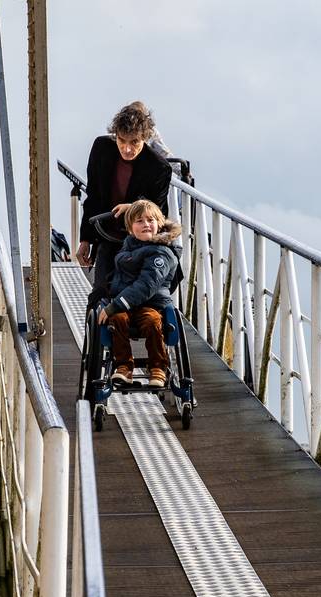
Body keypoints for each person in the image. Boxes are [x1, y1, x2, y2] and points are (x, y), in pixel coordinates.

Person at [76, 101, 173, 308]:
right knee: (98, 294)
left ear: (145, 139)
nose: (127, 148)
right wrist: (85, 239)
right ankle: (93, 337)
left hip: (141, 241)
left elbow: (159, 213)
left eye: (135, 142)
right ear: (115, 135)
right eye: (122, 140)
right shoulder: (101, 148)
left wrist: (133, 207)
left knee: (144, 299)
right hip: (106, 234)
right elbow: (92, 196)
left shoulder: (159, 167)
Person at [97, 200, 182, 388]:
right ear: (130, 229)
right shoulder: (129, 245)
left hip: (150, 304)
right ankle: (124, 366)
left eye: (151, 220)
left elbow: (146, 285)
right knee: (117, 320)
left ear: (160, 224)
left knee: (152, 322)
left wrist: (115, 304)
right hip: (125, 305)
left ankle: (158, 367)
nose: (146, 224)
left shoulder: (161, 252)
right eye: (139, 221)